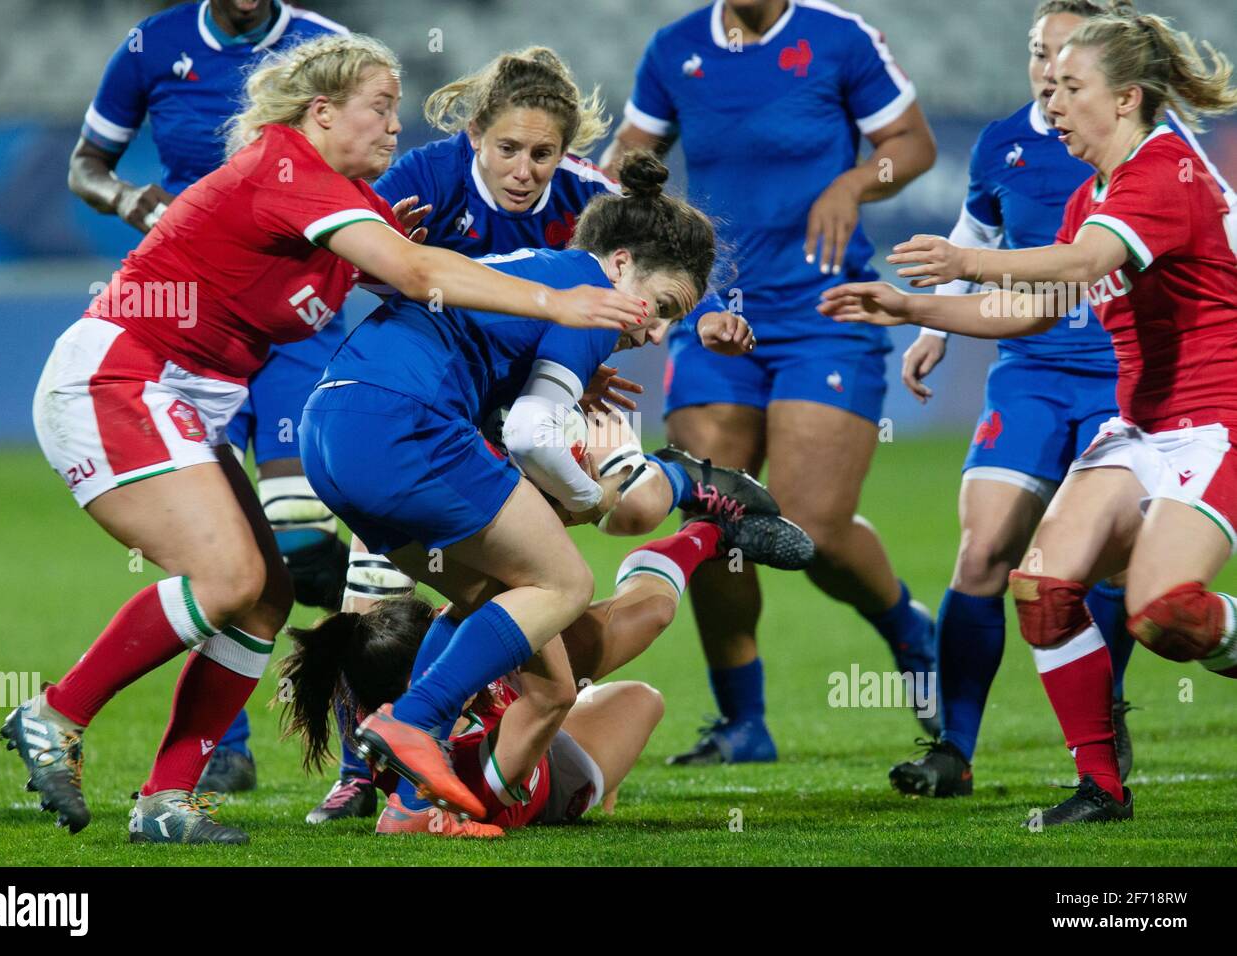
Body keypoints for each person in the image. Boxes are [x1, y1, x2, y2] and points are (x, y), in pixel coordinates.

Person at [0, 33, 647, 845]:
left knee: (266, 598)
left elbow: (421, 280)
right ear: (321, 112)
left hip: (189, 396)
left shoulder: (351, 200)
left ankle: (165, 800)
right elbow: (419, 276)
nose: (391, 126)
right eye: (378, 108)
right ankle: (56, 714)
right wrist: (560, 306)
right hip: (123, 374)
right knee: (231, 577)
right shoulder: (287, 167)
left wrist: (557, 362)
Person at [305, 47, 763, 824]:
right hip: (405, 425)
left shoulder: (558, 260)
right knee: (568, 585)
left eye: (673, 322)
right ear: (620, 265)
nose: (652, 332)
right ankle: (412, 721)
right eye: (660, 306)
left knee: (526, 645)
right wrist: (590, 499)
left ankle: (413, 801)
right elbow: (529, 430)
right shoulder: (590, 294)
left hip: (334, 425)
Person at [820, 8, 1237, 825]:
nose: (1053, 100)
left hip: (1216, 421)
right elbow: (1043, 305)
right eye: (1049, 79)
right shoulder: (1095, 189)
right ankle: (1102, 789)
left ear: (1125, 98)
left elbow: (1083, 261)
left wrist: (965, 259)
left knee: (1163, 614)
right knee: (1043, 589)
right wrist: (915, 307)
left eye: (1072, 86)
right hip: (1142, 426)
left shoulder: (1167, 170)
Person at [599, 0, 940, 764]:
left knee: (811, 528)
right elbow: (626, 161)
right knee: (713, 512)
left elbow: (910, 146)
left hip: (825, 311)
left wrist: (857, 182)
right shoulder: (675, 48)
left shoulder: (838, 38)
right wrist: (650, 225)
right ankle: (743, 722)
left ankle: (908, 629)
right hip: (717, 313)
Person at [67, 0, 350, 793]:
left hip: (294, 321)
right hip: (188, 325)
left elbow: (364, 165)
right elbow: (85, 164)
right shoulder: (150, 44)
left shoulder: (328, 45)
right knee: (214, 551)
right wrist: (129, 201)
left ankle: (357, 739)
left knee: (302, 551)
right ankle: (219, 744)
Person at [280, 510, 814, 836]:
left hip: (500, 700)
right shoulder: (475, 778)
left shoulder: (370, 689)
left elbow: (451, 602)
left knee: (645, 614)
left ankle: (709, 530)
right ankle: (693, 514)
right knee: (642, 695)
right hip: (545, 754)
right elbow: (551, 697)